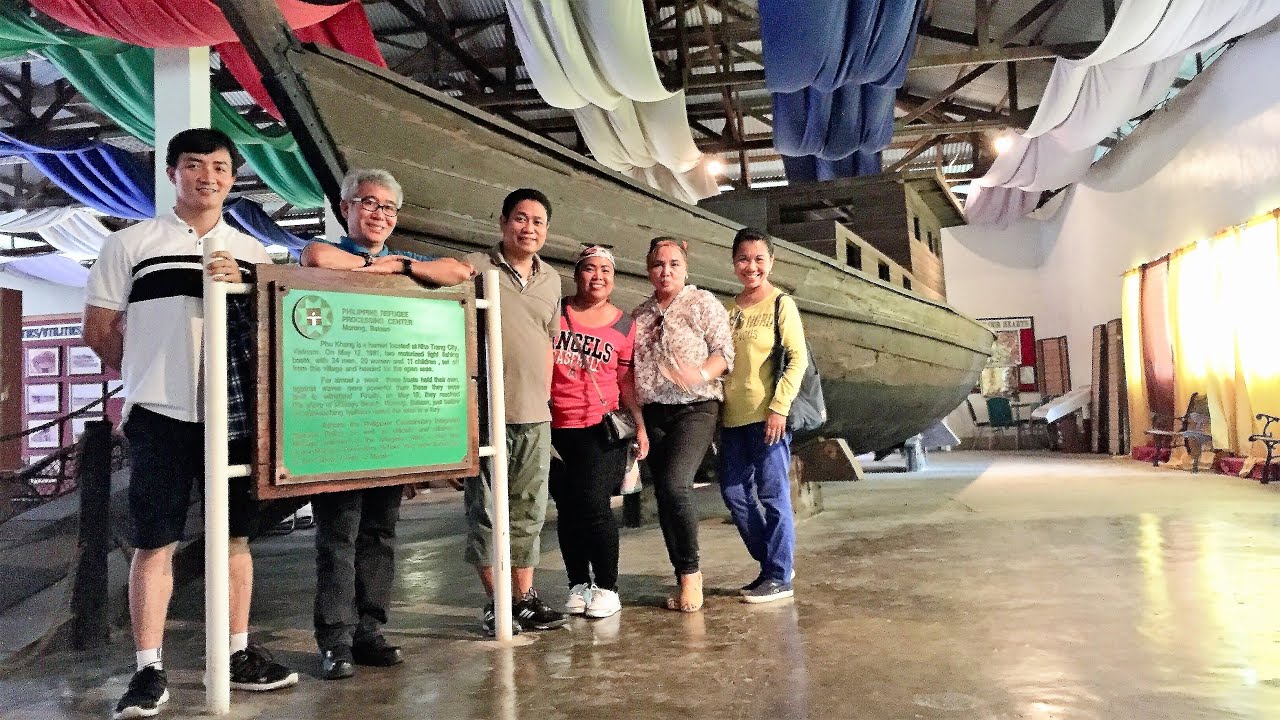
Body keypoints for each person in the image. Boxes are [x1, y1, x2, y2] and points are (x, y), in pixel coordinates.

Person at [83, 128, 297, 720]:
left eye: (221, 167)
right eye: (195, 165)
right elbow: (100, 330)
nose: (209, 176)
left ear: (233, 177)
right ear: (173, 172)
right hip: (160, 417)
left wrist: (249, 285)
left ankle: (237, 652)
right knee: (155, 542)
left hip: (233, 420)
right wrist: (146, 378)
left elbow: (278, 333)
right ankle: (148, 667)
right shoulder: (130, 244)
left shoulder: (254, 252)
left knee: (235, 540)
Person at [299, 169, 474, 678]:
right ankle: (334, 639)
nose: (379, 214)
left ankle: (369, 630)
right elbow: (316, 258)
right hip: (337, 418)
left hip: (389, 418)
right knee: (338, 532)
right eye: (368, 204)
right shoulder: (323, 250)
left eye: (389, 208)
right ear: (345, 208)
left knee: (381, 530)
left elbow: (458, 272)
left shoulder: (407, 261)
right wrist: (387, 268)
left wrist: (397, 263)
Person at [463, 188, 568, 635]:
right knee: (486, 512)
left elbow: (549, 340)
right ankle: (497, 603)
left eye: (538, 221)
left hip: (534, 415)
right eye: (521, 219)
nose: (530, 228)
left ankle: (524, 597)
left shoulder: (552, 280)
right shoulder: (474, 267)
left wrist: (546, 401)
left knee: (529, 510)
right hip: (485, 414)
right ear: (503, 221)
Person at [632, 237, 734, 613]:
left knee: (676, 485)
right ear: (649, 270)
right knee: (663, 494)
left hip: (696, 407)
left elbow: (724, 351)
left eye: (674, 263)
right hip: (655, 412)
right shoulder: (640, 315)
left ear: (685, 267)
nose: (666, 271)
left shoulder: (701, 302)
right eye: (659, 264)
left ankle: (692, 575)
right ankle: (680, 575)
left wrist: (700, 374)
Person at [549, 245, 648, 620]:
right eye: (590, 269)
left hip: (599, 428)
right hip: (556, 426)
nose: (598, 277)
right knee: (567, 510)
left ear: (614, 278)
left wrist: (639, 425)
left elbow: (625, 379)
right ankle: (577, 583)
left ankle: (607, 586)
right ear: (577, 274)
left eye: (605, 270)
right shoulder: (556, 311)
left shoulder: (624, 324)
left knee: (594, 506)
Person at [721, 228, 808, 603]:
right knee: (734, 493)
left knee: (773, 495)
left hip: (768, 416)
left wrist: (779, 408)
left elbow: (798, 359)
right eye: (743, 258)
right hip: (731, 420)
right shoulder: (728, 309)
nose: (751, 266)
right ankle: (775, 561)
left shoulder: (780, 304)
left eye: (759, 258)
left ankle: (778, 575)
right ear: (734, 263)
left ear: (771, 262)